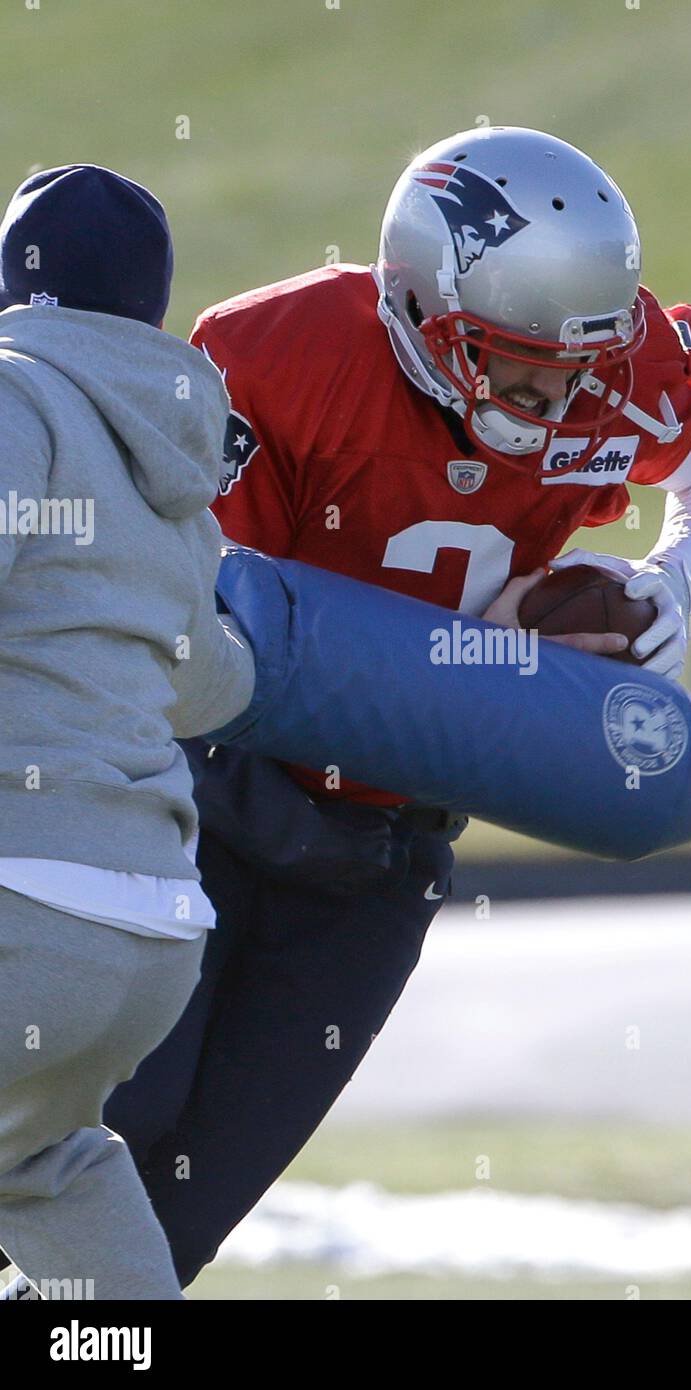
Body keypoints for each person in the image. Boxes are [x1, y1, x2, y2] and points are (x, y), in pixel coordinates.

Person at [102, 126, 691, 1289]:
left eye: (575, 368)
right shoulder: (280, 353)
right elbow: (216, 611)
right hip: (209, 801)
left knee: (179, 1220)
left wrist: (670, 584)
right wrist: (451, 651)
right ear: (417, 309)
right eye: (515, 365)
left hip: (384, 850)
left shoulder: (607, 367)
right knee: (107, 1132)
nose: (554, 396)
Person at [0, 165, 255, 1298]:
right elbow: (210, 687)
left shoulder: (13, 393)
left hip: (21, 899)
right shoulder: (179, 473)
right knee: (42, 1166)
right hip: (143, 933)